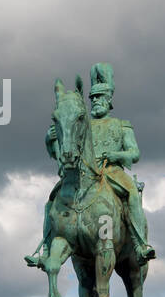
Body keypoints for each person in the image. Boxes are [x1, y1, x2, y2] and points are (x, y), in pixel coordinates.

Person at [25, 63, 156, 267]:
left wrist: (115, 154)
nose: (95, 101)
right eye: (93, 98)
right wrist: (49, 138)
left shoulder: (121, 125)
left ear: (109, 100)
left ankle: (140, 245)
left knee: (131, 193)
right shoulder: (81, 123)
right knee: (51, 201)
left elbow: (134, 153)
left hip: (112, 171)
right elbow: (62, 148)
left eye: (100, 98)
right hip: (82, 173)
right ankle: (46, 250)